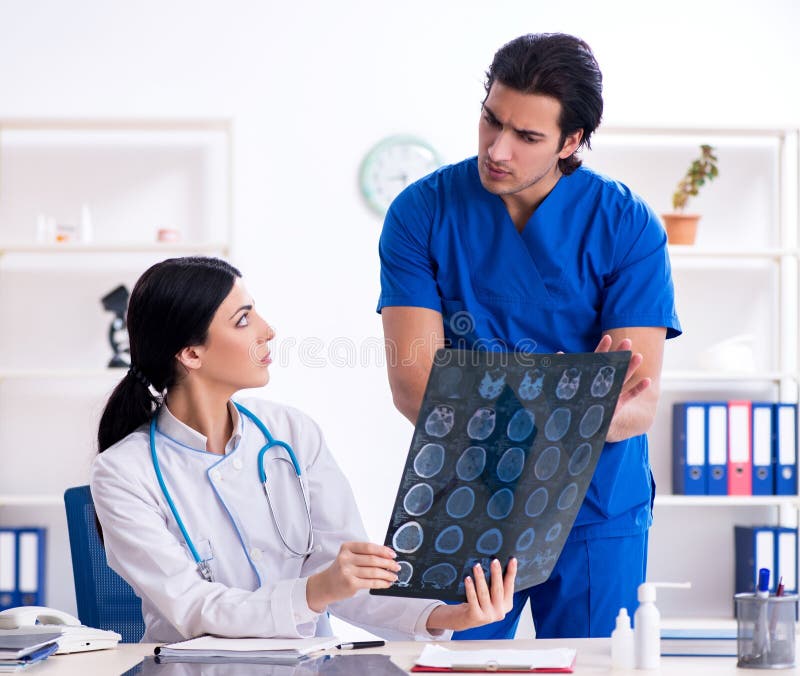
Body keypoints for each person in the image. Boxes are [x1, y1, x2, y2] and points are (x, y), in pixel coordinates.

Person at [377, 33, 681, 639]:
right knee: (451, 662)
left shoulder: (626, 225)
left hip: (597, 504)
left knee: (598, 667)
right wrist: (575, 403)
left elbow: (638, 403)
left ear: (571, 141)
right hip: (467, 498)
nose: (497, 149)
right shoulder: (422, 213)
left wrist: (494, 404)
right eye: (491, 120)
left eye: (527, 136)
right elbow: (415, 389)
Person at [91, 256, 517, 643]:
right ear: (191, 353)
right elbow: (192, 607)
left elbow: (348, 580)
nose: (268, 330)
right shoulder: (123, 472)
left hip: (308, 665)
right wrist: (314, 592)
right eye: (243, 320)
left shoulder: (291, 433)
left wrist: (445, 615)